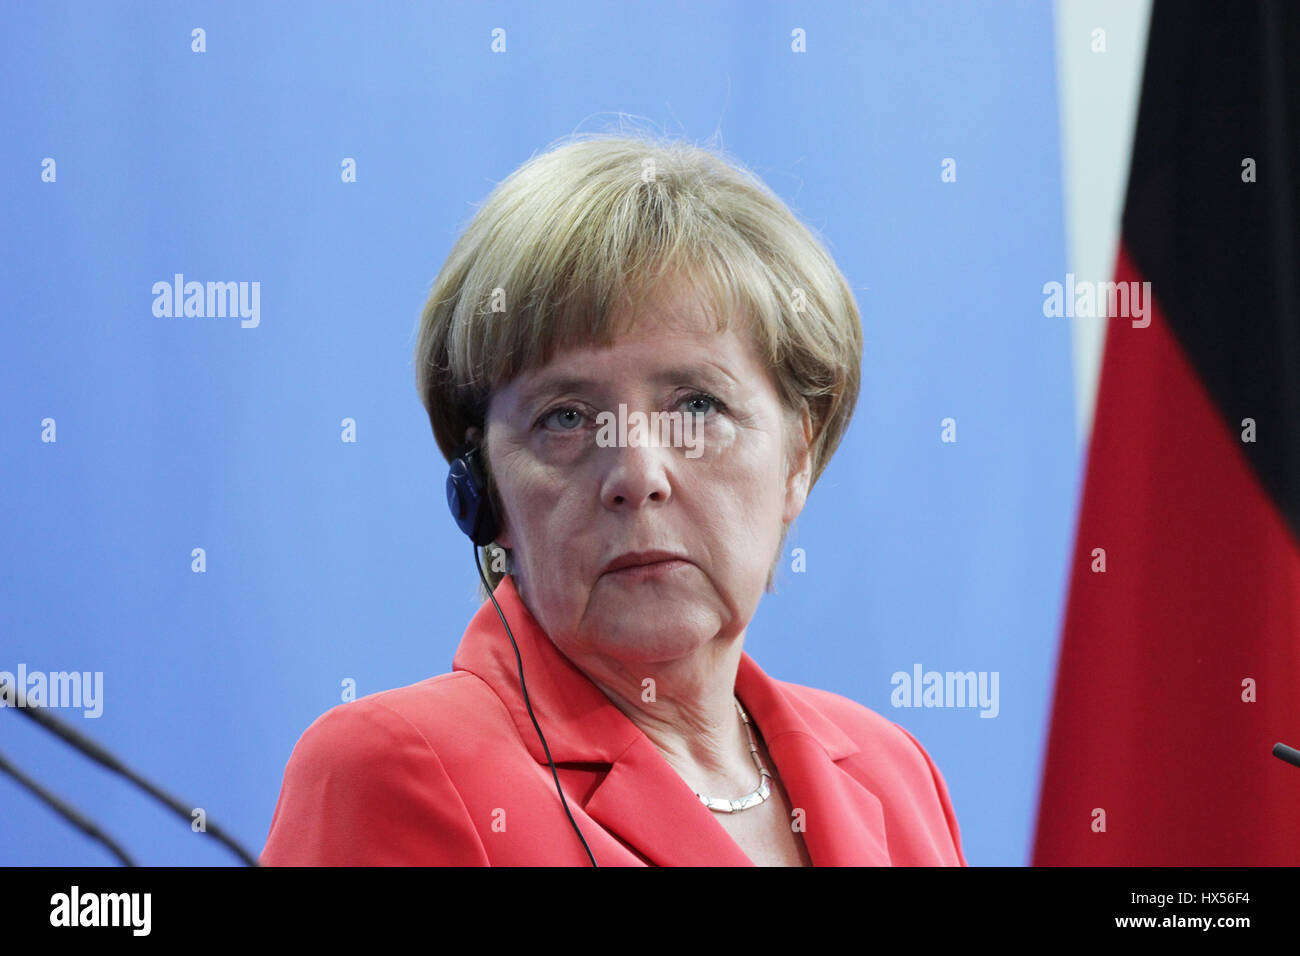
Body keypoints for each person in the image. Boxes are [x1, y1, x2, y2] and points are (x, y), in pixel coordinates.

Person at [260, 132, 967, 866]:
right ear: (483, 489)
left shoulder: (894, 774)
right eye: (565, 417)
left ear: (796, 458)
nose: (639, 473)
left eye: (697, 406)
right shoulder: (389, 769)